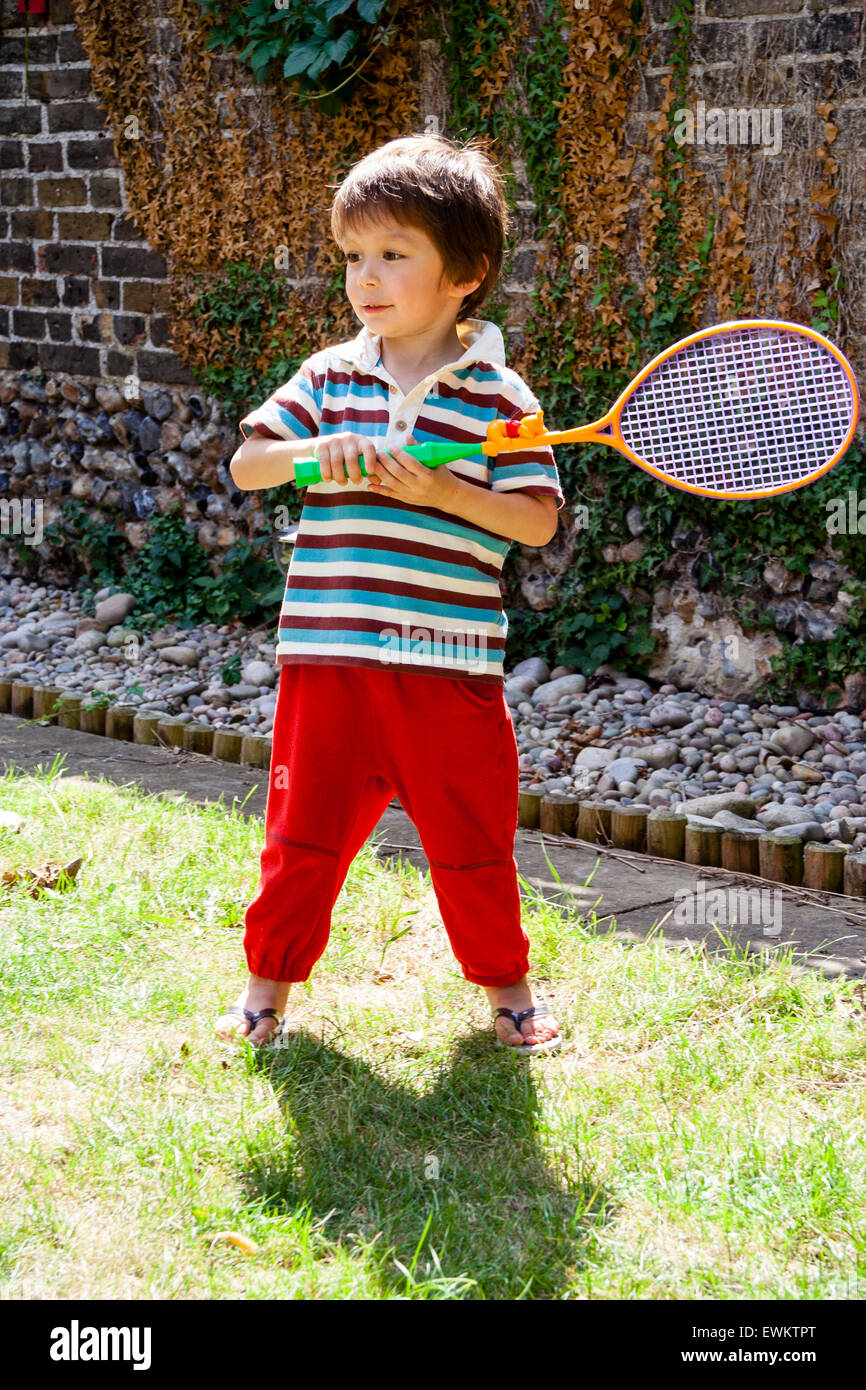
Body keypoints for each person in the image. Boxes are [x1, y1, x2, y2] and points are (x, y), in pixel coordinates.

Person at [215, 133, 565, 1055]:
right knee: (301, 837)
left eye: (394, 254)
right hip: (327, 658)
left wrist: (441, 491)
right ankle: (266, 991)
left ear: (466, 274)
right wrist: (311, 452)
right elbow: (249, 466)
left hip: (448, 666)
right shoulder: (329, 377)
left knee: (471, 839)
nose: (366, 277)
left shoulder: (500, 397)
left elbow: (534, 520)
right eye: (353, 257)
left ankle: (508, 991)